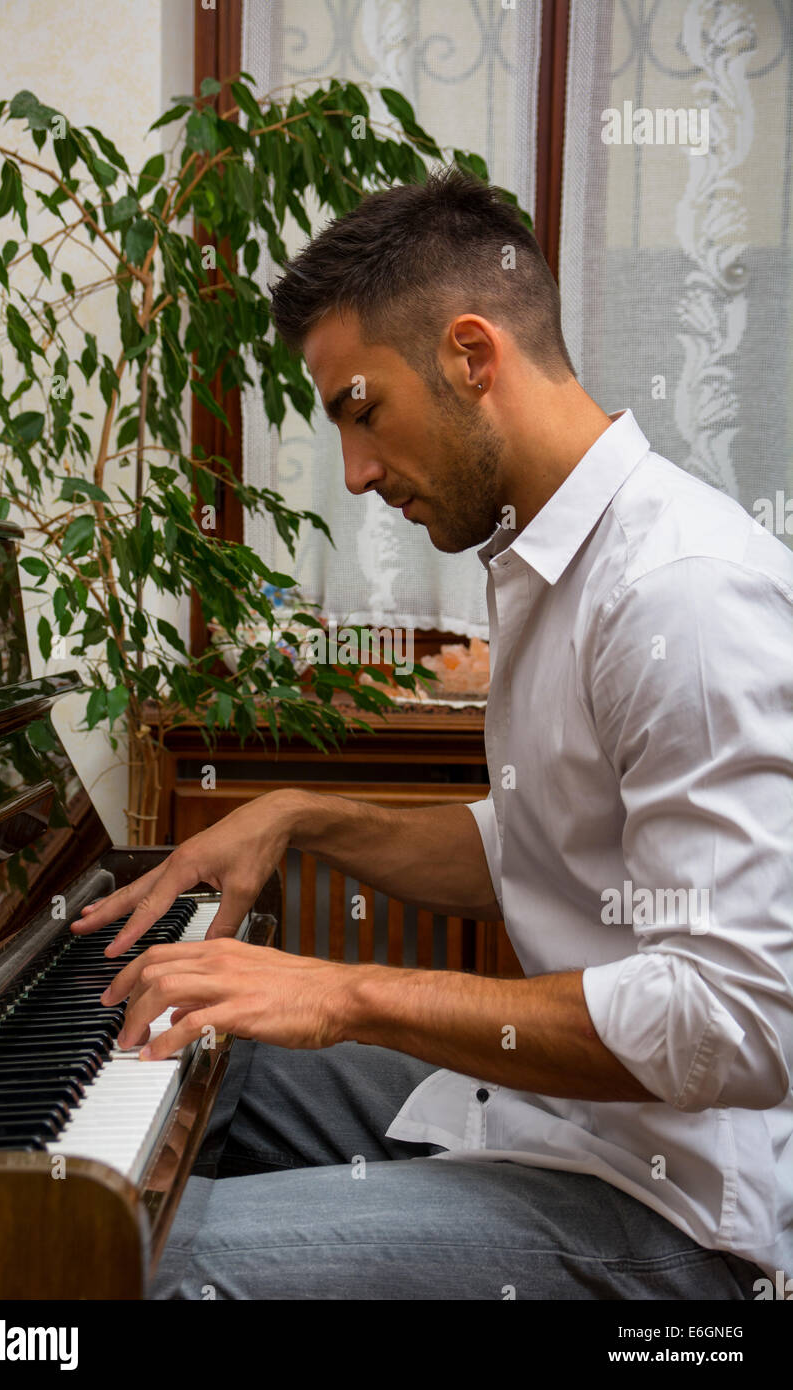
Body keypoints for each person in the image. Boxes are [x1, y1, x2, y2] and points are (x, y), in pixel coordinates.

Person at [71, 167, 792, 1300]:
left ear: (470, 354)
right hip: (556, 1122)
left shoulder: (679, 596)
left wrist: (344, 989)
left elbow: (733, 1018)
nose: (355, 472)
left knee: (120, 1272)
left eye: (361, 412)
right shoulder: (549, 561)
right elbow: (533, 842)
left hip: (675, 1214)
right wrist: (299, 816)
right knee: (216, 1054)